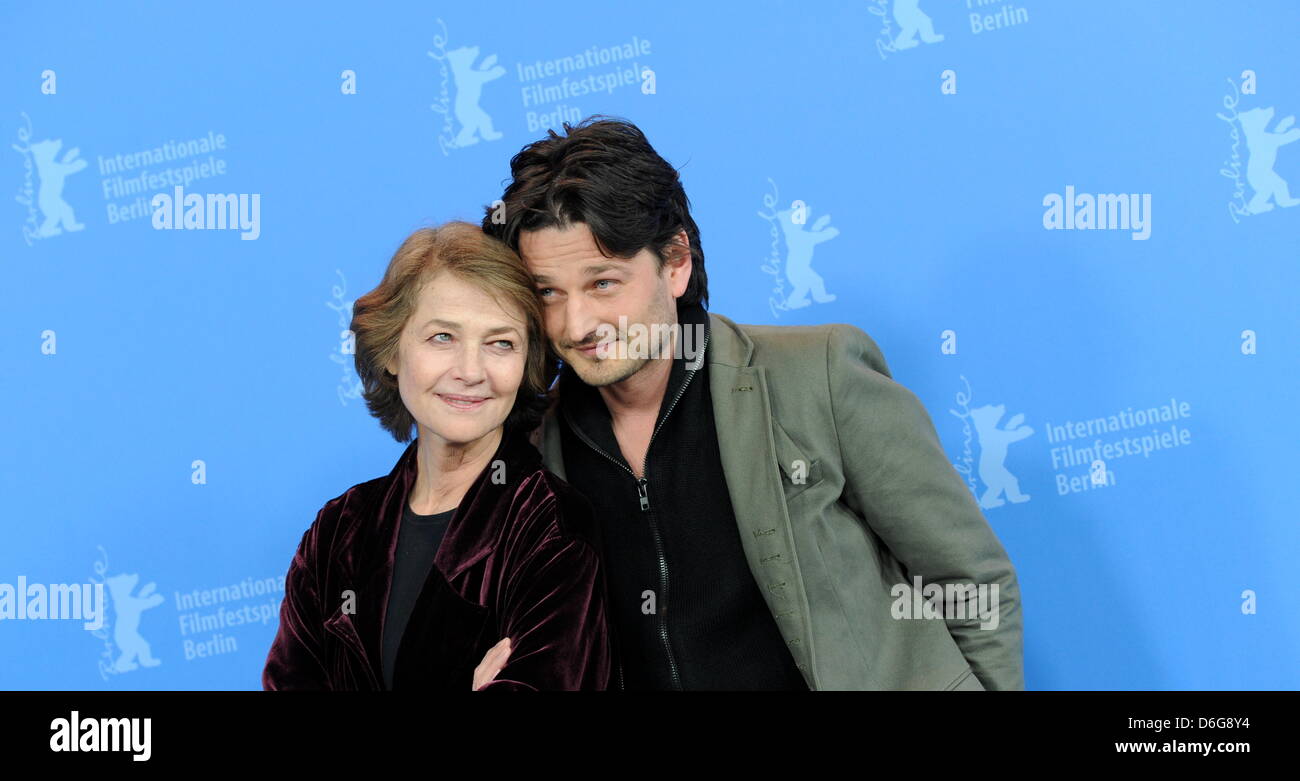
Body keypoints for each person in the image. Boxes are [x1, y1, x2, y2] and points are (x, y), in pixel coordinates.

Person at [475, 116, 1024, 690]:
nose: (577, 322)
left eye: (603, 283)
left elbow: (972, 585)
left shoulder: (819, 375)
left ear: (676, 261)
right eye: (547, 293)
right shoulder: (538, 446)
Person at [262, 221, 610, 690]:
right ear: (391, 350)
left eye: (500, 343)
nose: (470, 371)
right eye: (443, 337)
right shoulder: (337, 532)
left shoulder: (549, 526)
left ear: (527, 364)